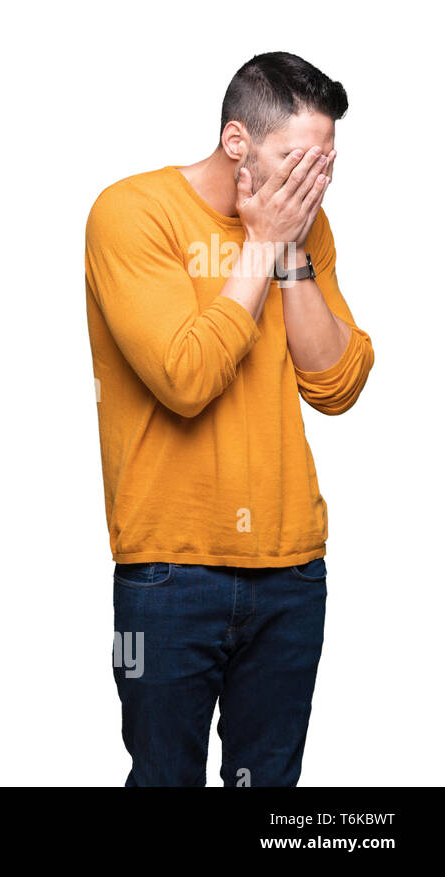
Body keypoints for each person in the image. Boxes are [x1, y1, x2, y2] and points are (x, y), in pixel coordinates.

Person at [85, 51, 374, 786]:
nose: (313, 180)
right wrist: (261, 245)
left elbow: (336, 383)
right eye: (295, 159)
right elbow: (185, 376)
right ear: (237, 141)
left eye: (326, 162)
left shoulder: (308, 231)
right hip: (167, 569)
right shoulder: (131, 211)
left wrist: (292, 255)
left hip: (292, 566)